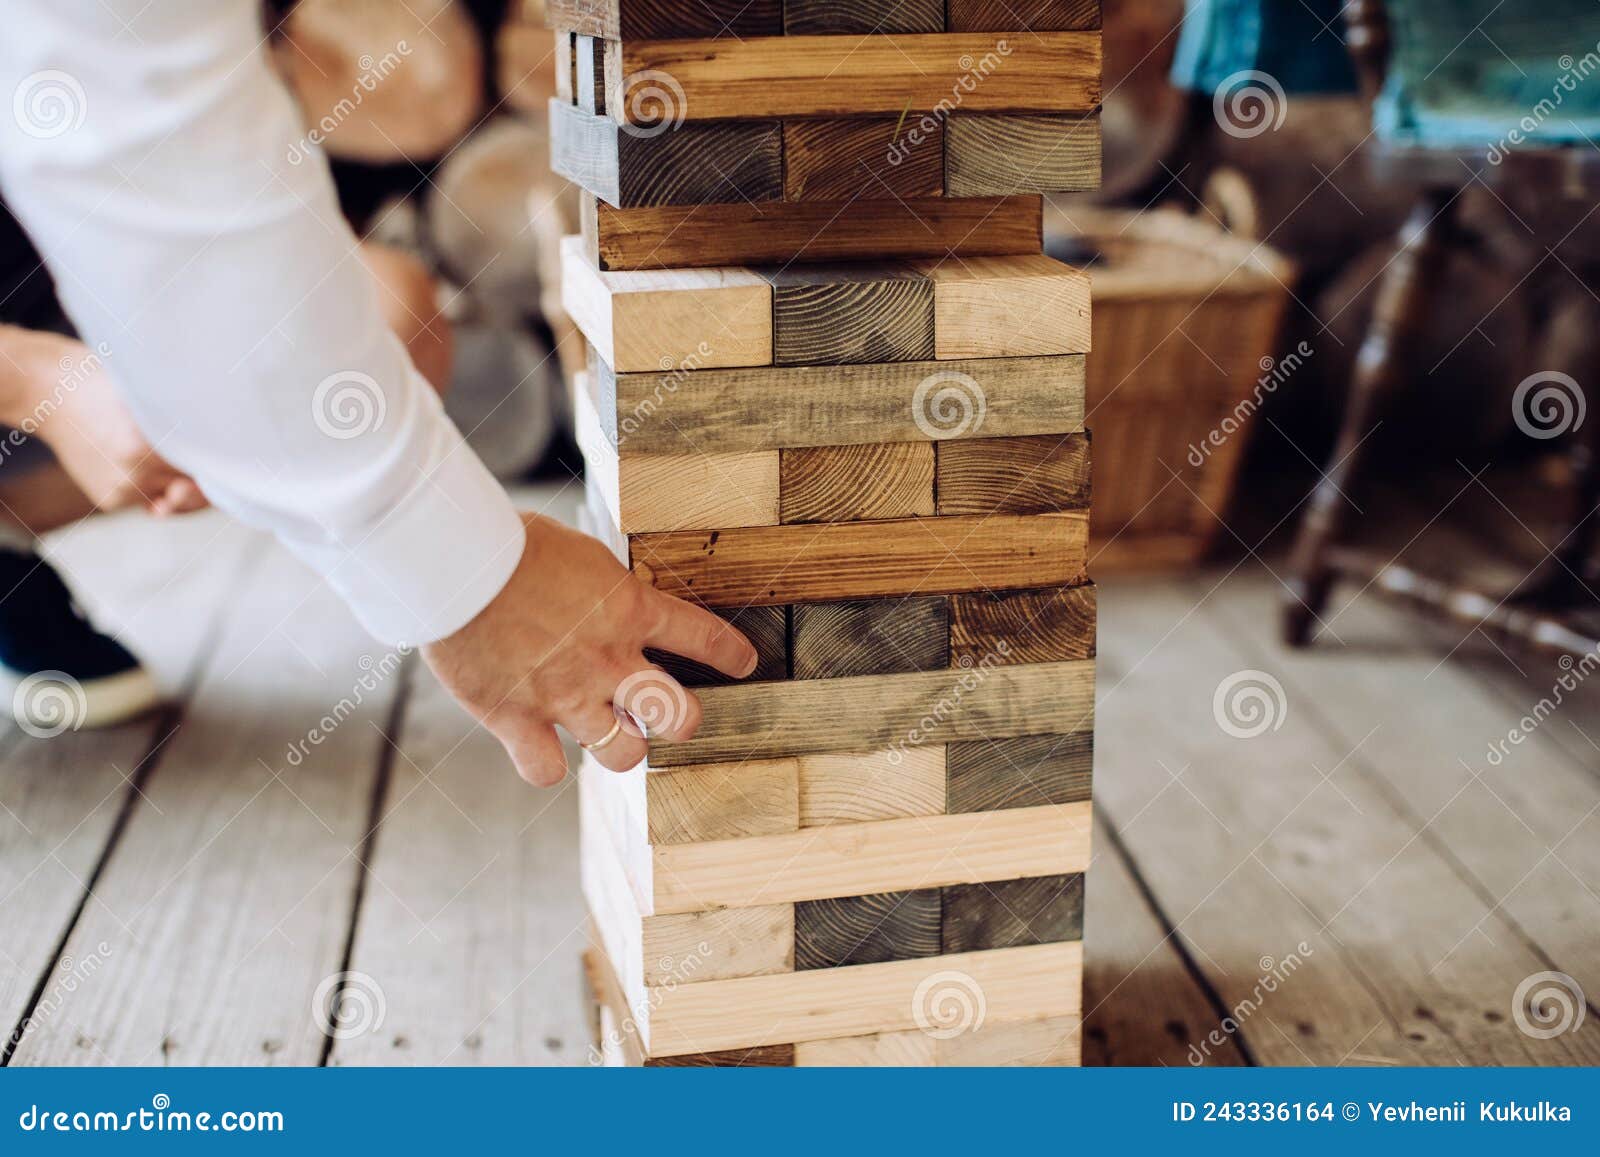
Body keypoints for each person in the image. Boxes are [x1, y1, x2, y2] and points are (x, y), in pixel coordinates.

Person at [0, 1, 755, 785]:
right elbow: (128, 116)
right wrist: (32, 382)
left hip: (45, 248)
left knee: (385, 308)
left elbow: (180, 146)